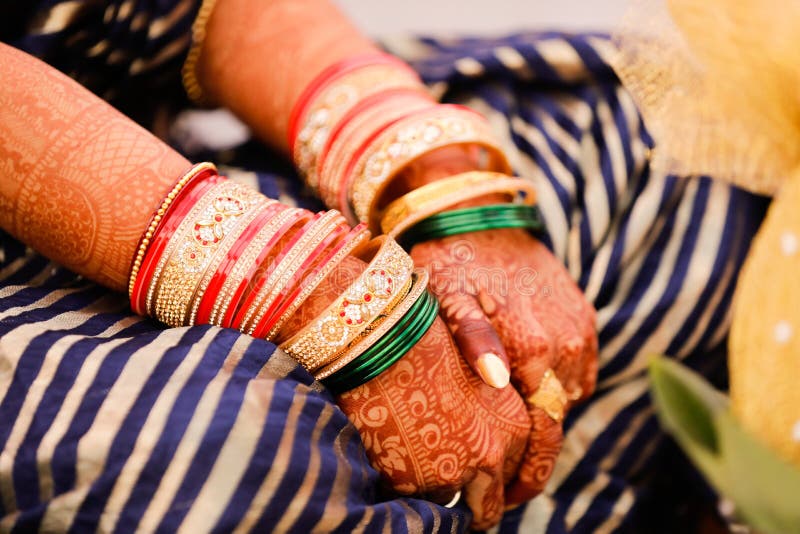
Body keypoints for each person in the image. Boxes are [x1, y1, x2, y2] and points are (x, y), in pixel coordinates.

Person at [0, 0, 766, 532]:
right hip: (53, 290)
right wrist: (306, 289)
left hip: (169, 155)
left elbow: (210, 14)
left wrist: (443, 187)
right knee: (229, 460)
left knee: (667, 158)